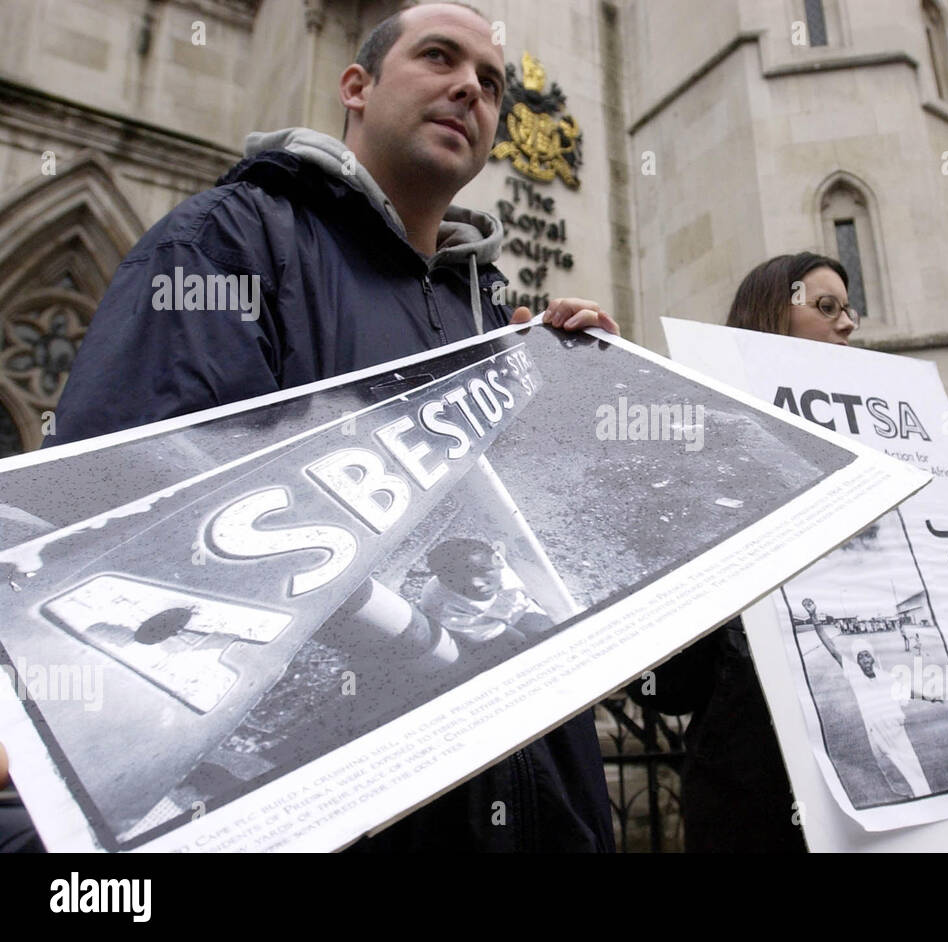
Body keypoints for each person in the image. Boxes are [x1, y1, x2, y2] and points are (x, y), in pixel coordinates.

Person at [4, 2, 617, 853]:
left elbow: (548, 552)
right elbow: (124, 513)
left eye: (491, 83)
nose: (468, 89)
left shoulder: (493, 320)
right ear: (355, 86)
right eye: (439, 57)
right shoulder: (230, 242)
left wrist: (580, 396)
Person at [632, 252, 857, 852]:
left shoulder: (886, 455)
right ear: (769, 318)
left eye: (849, 310)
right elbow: (668, 684)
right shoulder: (698, 456)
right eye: (826, 307)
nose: (847, 324)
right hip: (754, 782)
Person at [813, 625, 931, 799]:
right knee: (887, 767)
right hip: (875, 731)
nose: (865, 660)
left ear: (873, 658)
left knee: (911, 763)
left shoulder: (885, 677)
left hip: (895, 729)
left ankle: (924, 795)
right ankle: (905, 796)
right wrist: (815, 621)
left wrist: (930, 697)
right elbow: (833, 650)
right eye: (860, 657)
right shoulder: (854, 674)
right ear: (857, 661)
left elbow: (907, 691)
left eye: (867, 655)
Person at [419, 538, 552, 645]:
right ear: (442, 581)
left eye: (481, 571)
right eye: (459, 579)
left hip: (513, 609)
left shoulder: (505, 561)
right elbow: (507, 638)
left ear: (498, 561)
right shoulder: (442, 606)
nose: (475, 584)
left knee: (548, 627)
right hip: (478, 631)